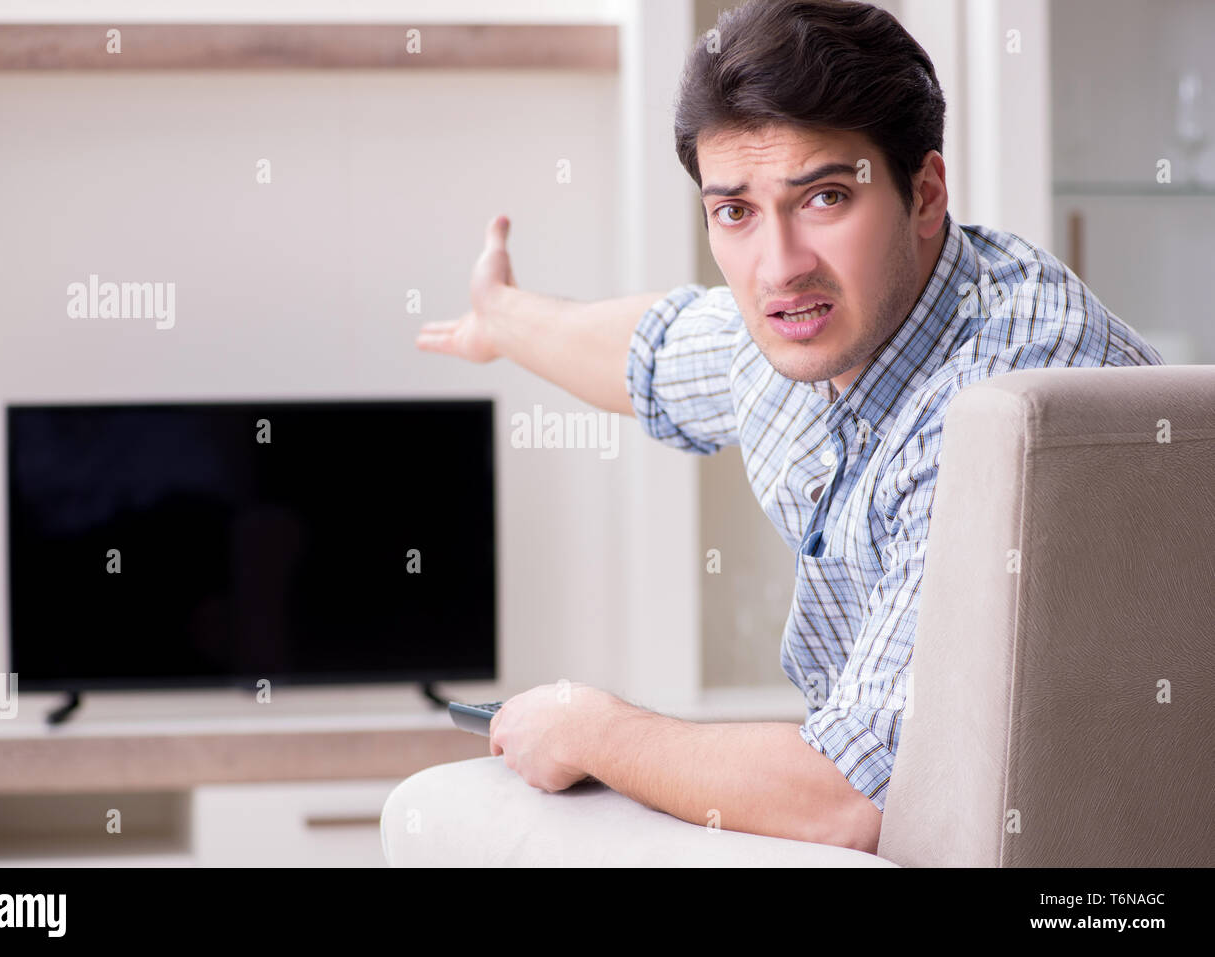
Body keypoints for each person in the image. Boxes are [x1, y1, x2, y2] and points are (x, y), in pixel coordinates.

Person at [415, 0, 1164, 854]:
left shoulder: (999, 408)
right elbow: (654, 352)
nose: (779, 266)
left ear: (924, 193)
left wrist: (593, 730)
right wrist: (502, 317)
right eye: (734, 211)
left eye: (825, 197)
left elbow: (854, 796)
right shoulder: (830, 312)